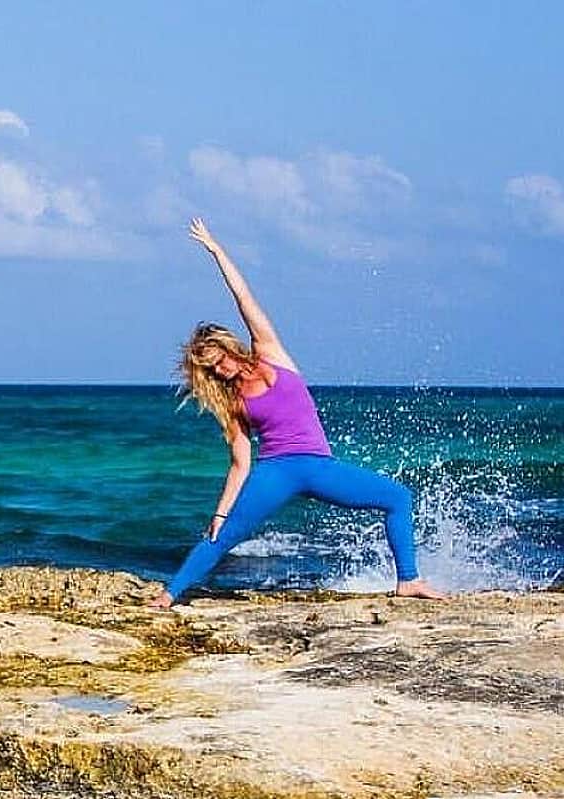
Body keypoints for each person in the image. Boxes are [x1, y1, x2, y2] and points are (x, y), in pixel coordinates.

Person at [148, 218, 445, 609]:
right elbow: (240, 463)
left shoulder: (270, 351)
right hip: (276, 472)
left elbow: (245, 299)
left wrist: (218, 252)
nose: (221, 370)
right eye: (212, 369)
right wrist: (221, 512)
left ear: (229, 348)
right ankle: (169, 595)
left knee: (397, 498)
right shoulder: (231, 403)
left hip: (320, 467)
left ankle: (408, 580)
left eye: (221, 361)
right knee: (223, 535)